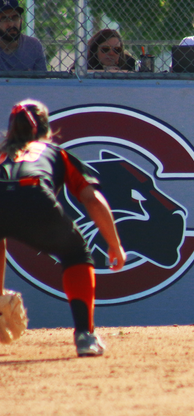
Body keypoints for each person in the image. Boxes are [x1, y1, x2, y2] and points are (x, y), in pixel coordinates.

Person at [0, 99, 127, 355]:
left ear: (11, 130)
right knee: (75, 254)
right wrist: (114, 244)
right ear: (47, 129)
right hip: (34, 197)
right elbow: (92, 199)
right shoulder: (55, 153)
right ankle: (85, 336)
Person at [0, 0, 46, 72]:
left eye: (15, 17)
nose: (11, 24)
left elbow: (42, 82)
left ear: (21, 20)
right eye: (4, 18)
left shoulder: (33, 46)